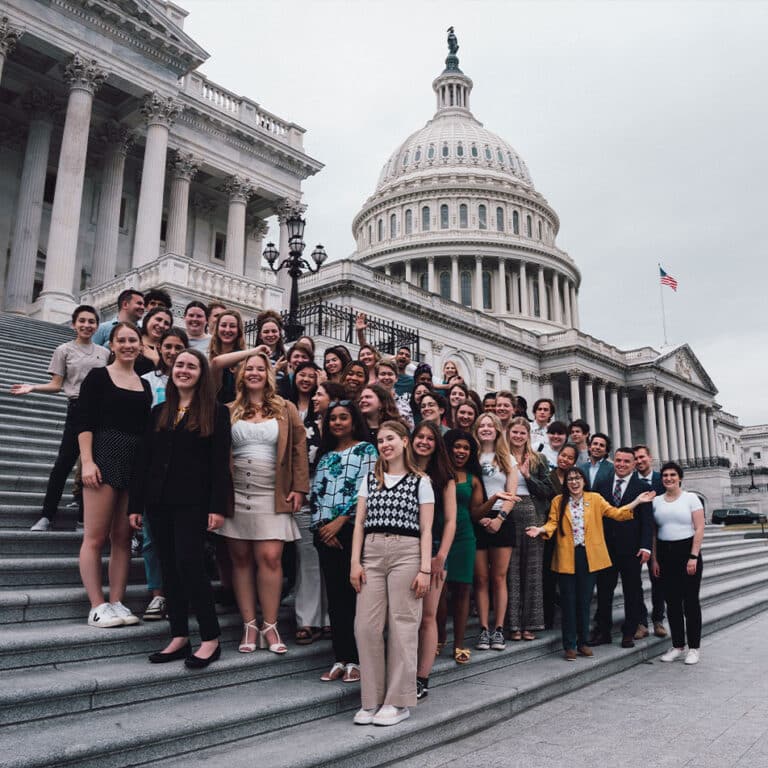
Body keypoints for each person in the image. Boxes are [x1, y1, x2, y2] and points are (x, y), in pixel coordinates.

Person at [129, 349, 232, 668]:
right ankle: (179, 635)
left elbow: (219, 463)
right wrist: (135, 504)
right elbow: (143, 460)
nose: (184, 370)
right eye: (180, 365)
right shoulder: (159, 409)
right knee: (168, 567)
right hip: (158, 501)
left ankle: (211, 638)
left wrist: (217, 506)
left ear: (202, 374)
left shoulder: (215, 412)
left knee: (190, 565)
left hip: (193, 502)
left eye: (191, 366)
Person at [215, 352, 309, 655]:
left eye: (260, 368)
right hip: (237, 492)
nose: (254, 373)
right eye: (248, 369)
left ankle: (270, 624)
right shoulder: (228, 410)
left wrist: (299, 488)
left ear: (268, 375)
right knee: (240, 560)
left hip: (273, 491)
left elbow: (298, 448)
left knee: (270, 558)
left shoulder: (287, 408)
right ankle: (249, 624)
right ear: (241, 376)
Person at [350, 420, 434, 727]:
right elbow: (358, 523)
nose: (385, 444)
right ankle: (371, 700)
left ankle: (398, 702)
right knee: (366, 626)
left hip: (407, 552)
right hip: (371, 552)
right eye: (380, 440)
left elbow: (427, 528)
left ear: (404, 441)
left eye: (390, 439)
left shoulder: (420, 480)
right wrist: (354, 563)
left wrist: (425, 568)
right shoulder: (371, 479)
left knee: (402, 625)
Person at [525, 467, 655, 660]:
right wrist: (541, 529)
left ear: (584, 481)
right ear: (566, 483)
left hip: (590, 557)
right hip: (566, 556)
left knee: (584, 602)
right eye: (570, 479)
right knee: (569, 603)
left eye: (578, 478)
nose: (574, 482)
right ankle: (569, 645)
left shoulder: (594, 499)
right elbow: (552, 523)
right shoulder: (558, 501)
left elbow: (617, 513)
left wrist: (637, 501)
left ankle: (583, 642)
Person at [77, 322, 152, 627]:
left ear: (140, 344)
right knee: (95, 537)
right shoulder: (98, 376)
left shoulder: (144, 384)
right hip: (104, 454)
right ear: (112, 345)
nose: (127, 345)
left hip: (134, 461)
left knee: (123, 537)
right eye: (121, 340)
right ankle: (97, 604)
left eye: (132, 340)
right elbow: (84, 421)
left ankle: (117, 601)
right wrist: (87, 462)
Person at [11, 305, 110, 532]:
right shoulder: (64, 349)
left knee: (92, 464)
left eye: (91, 321)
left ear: (96, 325)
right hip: (76, 408)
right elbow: (56, 385)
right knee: (63, 464)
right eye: (82, 321)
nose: (87, 325)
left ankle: (83, 519)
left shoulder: (104, 353)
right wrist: (32, 387)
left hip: (101, 412)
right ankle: (47, 515)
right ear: (74, 324)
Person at [311, 400, 377, 682]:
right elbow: (316, 494)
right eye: (333, 419)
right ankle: (341, 658)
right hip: (325, 534)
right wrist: (323, 528)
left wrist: (341, 521)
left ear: (354, 421)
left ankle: (359, 660)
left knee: (355, 597)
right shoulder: (324, 456)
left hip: (353, 529)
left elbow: (368, 486)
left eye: (343, 418)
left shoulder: (367, 450)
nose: (337, 423)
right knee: (336, 599)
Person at [139, 326, 189, 621]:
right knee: (151, 537)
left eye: (178, 347)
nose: (172, 352)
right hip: (155, 466)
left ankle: (180, 593)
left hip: (184, 470)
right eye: (167, 347)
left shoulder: (192, 380)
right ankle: (158, 594)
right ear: (159, 349)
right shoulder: (147, 381)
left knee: (181, 538)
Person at [590, 447, 654, 648]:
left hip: (632, 548)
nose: (622, 465)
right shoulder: (601, 484)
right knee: (604, 591)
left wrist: (646, 546)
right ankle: (603, 631)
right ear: (613, 461)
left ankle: (629, 631)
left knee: (632, 591)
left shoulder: (641, 486)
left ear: (634, 464)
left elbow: (647, 520)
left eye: (627, 461)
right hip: (606, 547)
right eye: (618, 460)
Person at [413, 421, 457, 699]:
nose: (425, 442)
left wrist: (441, 556)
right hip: (404, 548)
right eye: (420, 436)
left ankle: (422, 677)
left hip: (435, 548)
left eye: (430, 438)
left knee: (428, 616)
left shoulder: (444, 476)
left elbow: (452, 520)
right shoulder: (400, 469)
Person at [471, 413, 518, 652]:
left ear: (498, 430)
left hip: (502, 519)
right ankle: (483, 628)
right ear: (476, 429)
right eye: (482, 425)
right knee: (480, 579)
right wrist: (480, 518)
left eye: (490, 425)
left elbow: (511, 493)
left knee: (499, 577)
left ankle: (498, 629)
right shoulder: (471, 457)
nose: (486, 428)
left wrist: (500, 519)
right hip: (477, 517)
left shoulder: (507, 458)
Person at [506, 416, 555, 641]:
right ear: (509, 433)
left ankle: (531, 624)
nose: (518, 436)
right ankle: (513, 624)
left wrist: (527, 477)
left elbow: (548, 490)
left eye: (522, 433)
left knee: (533, 571)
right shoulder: (501, 457)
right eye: (514, 432)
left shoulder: (539, 459)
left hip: (533, 513)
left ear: (528, 435)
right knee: (512, 571)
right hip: (508, 513)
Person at [289, 361, 327, 646]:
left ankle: (328, 618)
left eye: (319, 389)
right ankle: (307, 619)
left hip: (336, 498)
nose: (315, 396)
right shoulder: (298, 420)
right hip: (306, 490)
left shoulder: (339, 421)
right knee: (308, 559)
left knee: (332, 560)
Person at [651, 462, 705, 665]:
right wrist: (655, 559)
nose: (668, 478)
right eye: (665, 475)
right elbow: (654, 533)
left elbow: (699, 528)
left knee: (690, 602)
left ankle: (694, 648)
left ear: (680, 477)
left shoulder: (691, 498)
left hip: (687, 552)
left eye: (673, 474)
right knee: (672, 602)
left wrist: (693, 556)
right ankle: (677, 645)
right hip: (665, 553)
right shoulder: (656, 501)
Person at [440, 430, 481, 664]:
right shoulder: (437, 473)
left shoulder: (472, 478)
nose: (461, 451)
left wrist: (496, 500)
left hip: (465, 536)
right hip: (439, 534)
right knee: (441, 591)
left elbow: (476, 513)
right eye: (457, 446)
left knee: (463, 589)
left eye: (466, 448)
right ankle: (440, 635)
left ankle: (459, 643)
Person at [633, 444, 667, 639]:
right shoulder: (631, 481)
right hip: (636, 537)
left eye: (641, 457)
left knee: (658, 579)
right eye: (636, 458)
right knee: (634, 581)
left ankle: (658, 619)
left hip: (659, 536)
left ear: (650, 457)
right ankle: (641, 621)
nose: (639, 461)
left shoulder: (661, 480)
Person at [544, 443, 578, 628]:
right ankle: (548, 617)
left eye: (570, 457)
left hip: (570, 534)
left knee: (567, 578)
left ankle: (569, 616)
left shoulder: (575, 479)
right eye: (563, 455)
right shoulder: (547, 476)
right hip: (550, 531)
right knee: (548, 576)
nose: (565, 459)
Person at [375, 357, 414, 428]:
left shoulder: (404, 404)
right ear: (376, 378)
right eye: (383, 374)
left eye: (390, 374)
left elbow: (410, 429)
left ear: (396, 378)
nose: (386, 377)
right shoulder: (370, 401)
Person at [138, 306, 173, 373]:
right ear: (148, 319)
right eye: (158, 319)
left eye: (166, 323)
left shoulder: (169, 349)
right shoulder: (132, 336)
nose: (161, 325)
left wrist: (157, 360)